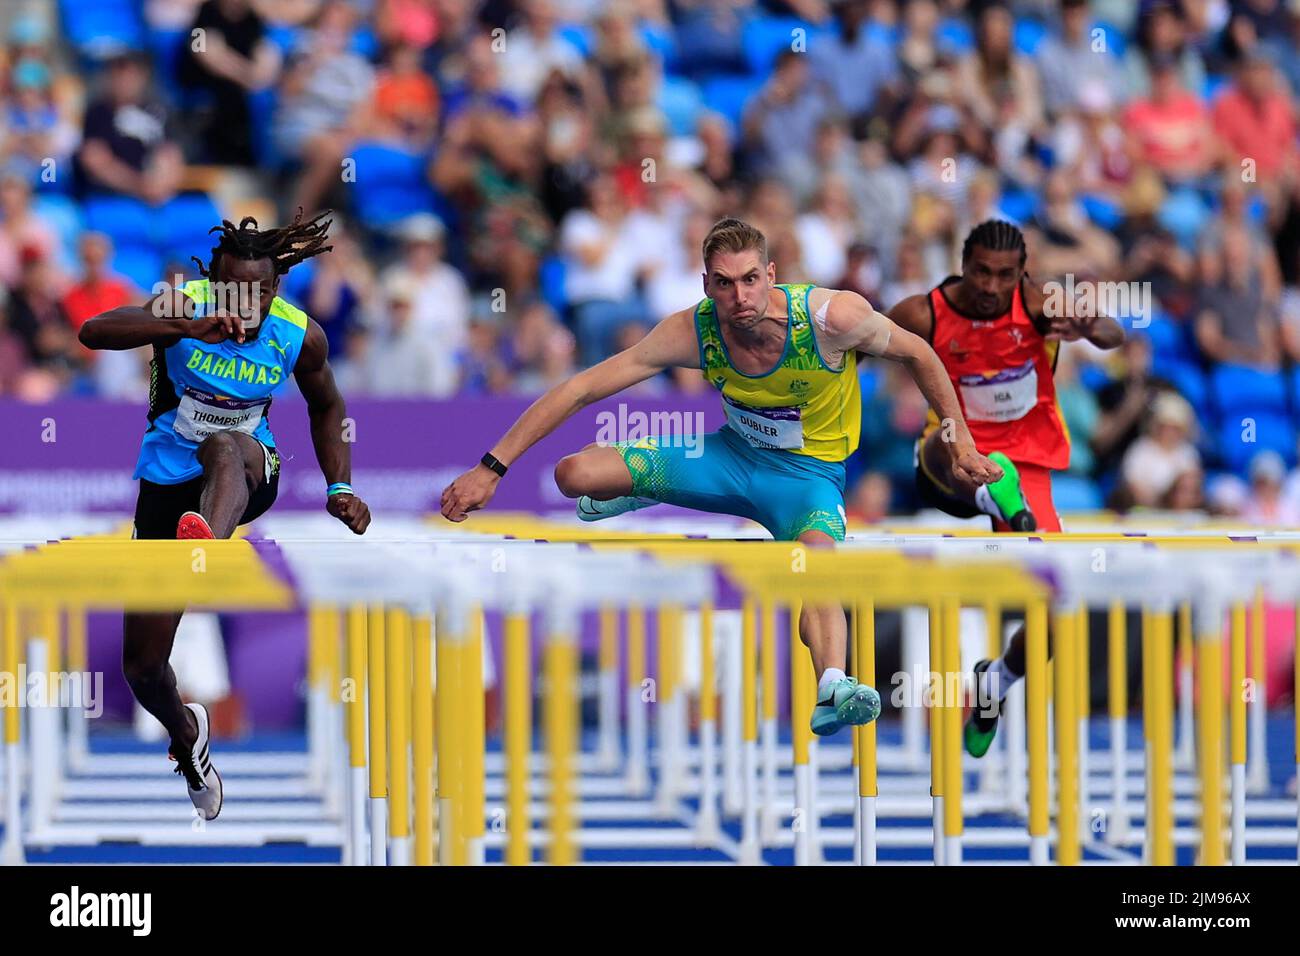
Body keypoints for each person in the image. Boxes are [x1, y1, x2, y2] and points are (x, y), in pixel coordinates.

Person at [440, 217, 1003, 737]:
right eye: (725, 283)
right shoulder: (693, 329)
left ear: (771, 275)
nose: (741, 297)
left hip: (808, 482)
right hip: (729, 459)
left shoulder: (833, 319)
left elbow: (923, 355)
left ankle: (832, 685)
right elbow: (582, 388)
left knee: (816, 567)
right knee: (574, 473)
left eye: (751, 280)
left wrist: (960, 445)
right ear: (706, 284)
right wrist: (492, 468)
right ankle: (623, 489)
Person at [77, 210, 371, 820]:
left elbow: (327, 404)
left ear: (276, 288)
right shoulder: (184, 305)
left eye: (262, 290)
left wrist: (339, 483)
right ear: (215, 280)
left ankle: (206, 544)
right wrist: (188, 325)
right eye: (237, 288)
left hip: (247, 473)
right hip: (166, 485)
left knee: (227, 446)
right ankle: (188, 740)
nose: (250, 302)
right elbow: (93, 331)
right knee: (144, 668)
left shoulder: (297, 333)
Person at [887, 219, 1125, 757]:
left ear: (1022, 272)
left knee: (1057, 614)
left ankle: (993, 685)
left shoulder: (1044, 305)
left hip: (1027, 462)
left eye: (1003, 275)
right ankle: (993, 489)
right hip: (954, 456)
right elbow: (857, 343)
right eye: (980, 272)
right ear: (962, 263)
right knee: (944, 446)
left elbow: (1116, 336)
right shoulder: (923, 313)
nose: (991, 286)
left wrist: (1088, 327)